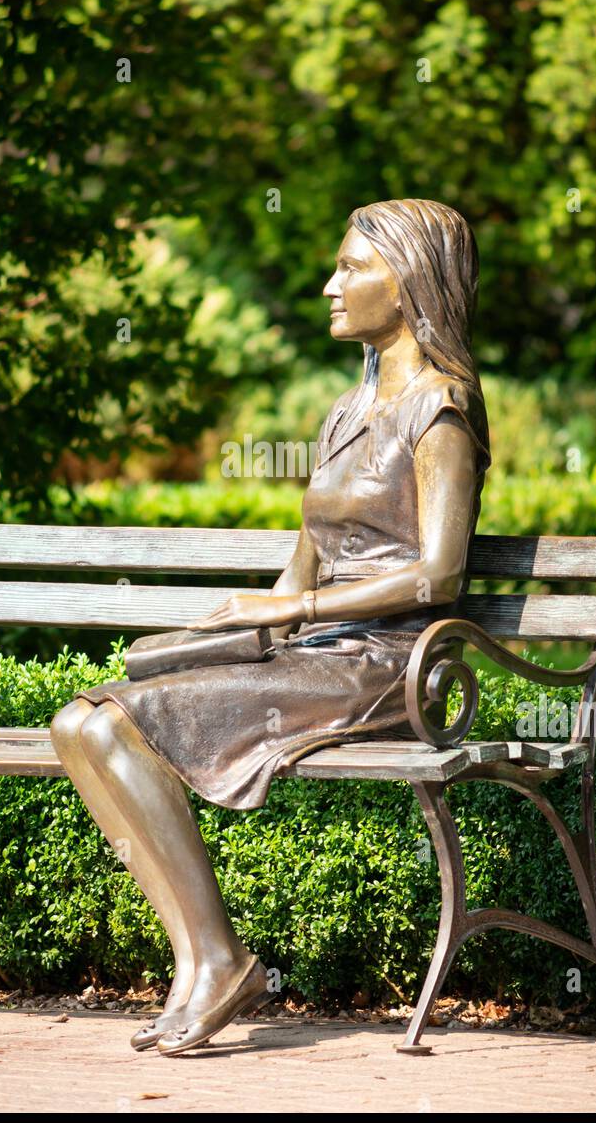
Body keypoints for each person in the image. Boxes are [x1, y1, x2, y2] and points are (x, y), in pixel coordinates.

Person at [50, 198, 491, 1056]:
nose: (331, 286)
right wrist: (235, 625)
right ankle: (200, 961)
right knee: (78, 725)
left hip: (389, 663)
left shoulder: (441, 408)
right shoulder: (343, 412)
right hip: (316, 650)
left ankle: (221, 960)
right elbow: (302, 568)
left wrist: (294, 611)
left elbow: (440, 573)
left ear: (407, 284)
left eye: (351, 269)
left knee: (119, 726)